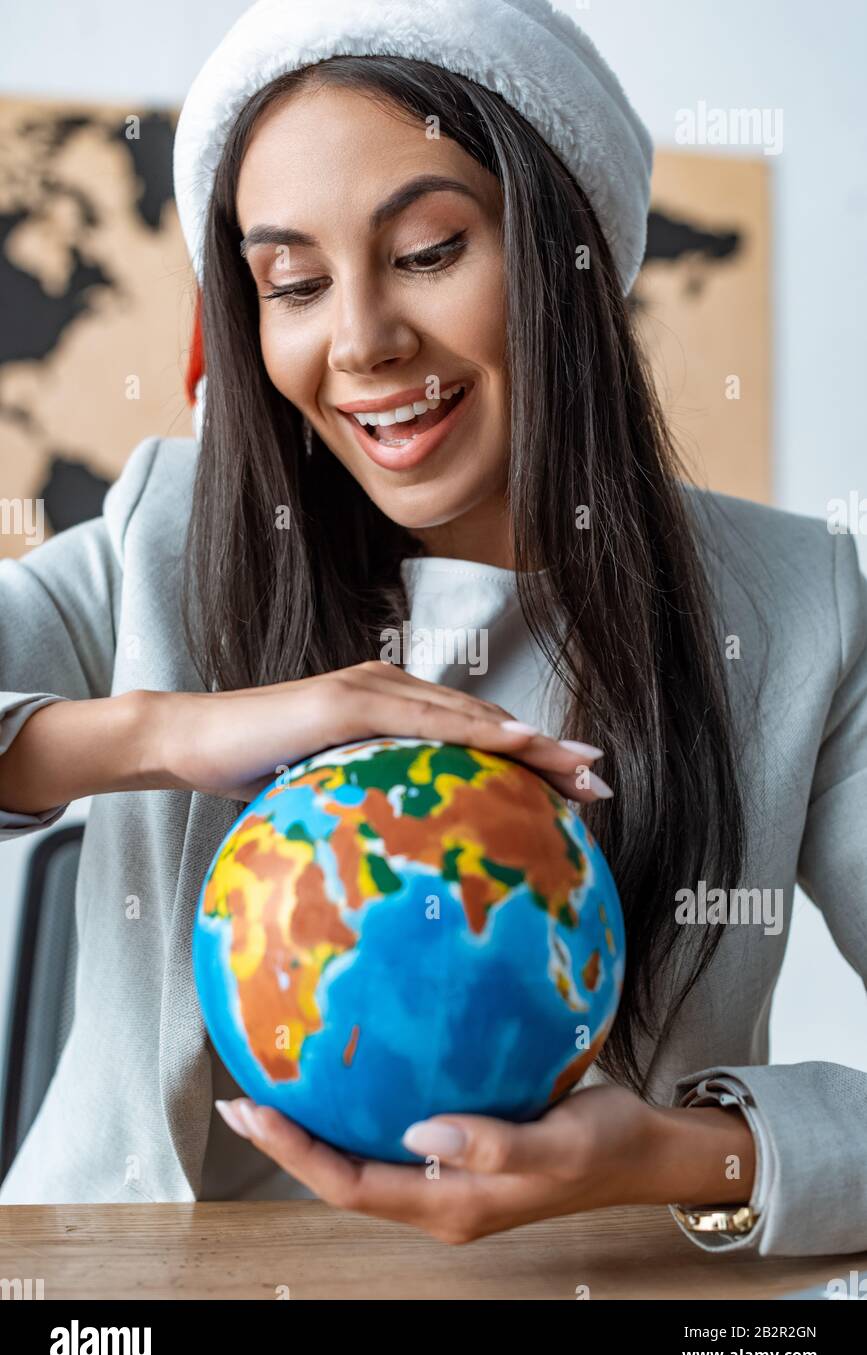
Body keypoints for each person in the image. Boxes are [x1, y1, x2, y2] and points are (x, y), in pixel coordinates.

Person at [1, 0, 865, 1261]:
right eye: (291, 282)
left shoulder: (796, 603)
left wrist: (687, 1155)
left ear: (565, 252)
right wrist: (168, 732)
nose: (359, 340)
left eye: (425, 252)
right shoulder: (170, 533)